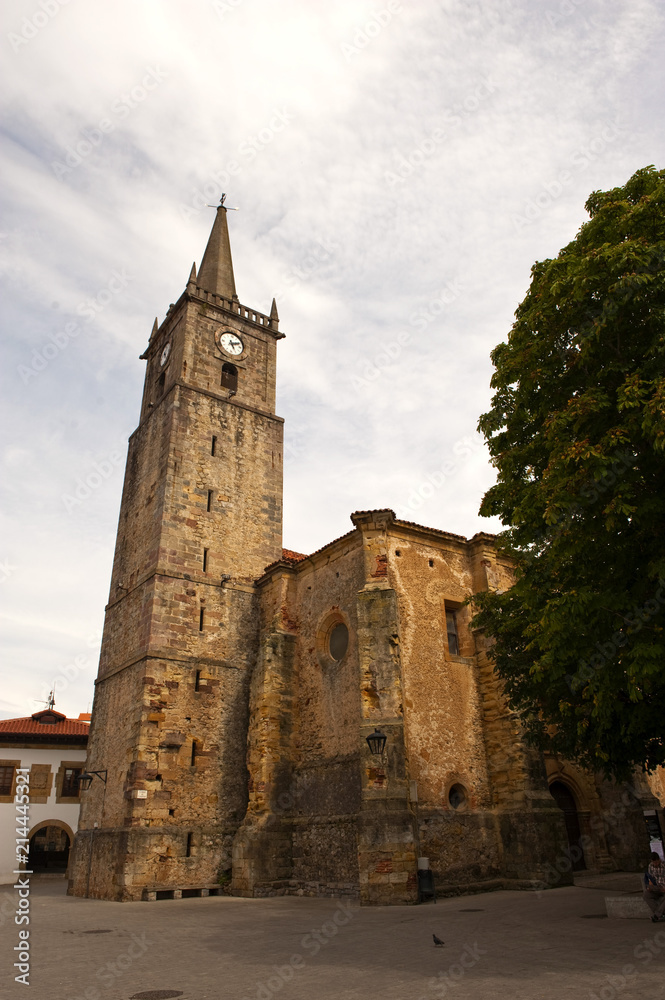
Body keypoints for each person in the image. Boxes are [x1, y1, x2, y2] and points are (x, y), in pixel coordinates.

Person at [643, 851, 665, 922]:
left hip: (664, 887)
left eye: (656, 862)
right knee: (646, 895)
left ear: (659, 859)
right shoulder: (650, 866)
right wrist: (649, 886)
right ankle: (660, 914)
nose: (655, 864)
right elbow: (650, 878)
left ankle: (657, 915)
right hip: (656, 887)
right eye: (653, 863)